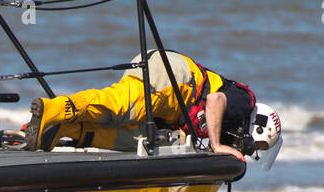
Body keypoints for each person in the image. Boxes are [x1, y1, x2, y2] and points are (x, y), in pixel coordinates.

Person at [23, 49, 282, 164]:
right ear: (256, 129)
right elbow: (215, 100)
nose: (248, 151)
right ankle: (54, 109)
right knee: (119, 107)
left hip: (170, 105)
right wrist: (217, 146)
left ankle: (63, 129)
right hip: (178, 80)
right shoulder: (245, 102)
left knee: (132, 140)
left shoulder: (227, 123)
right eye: (255, 147)